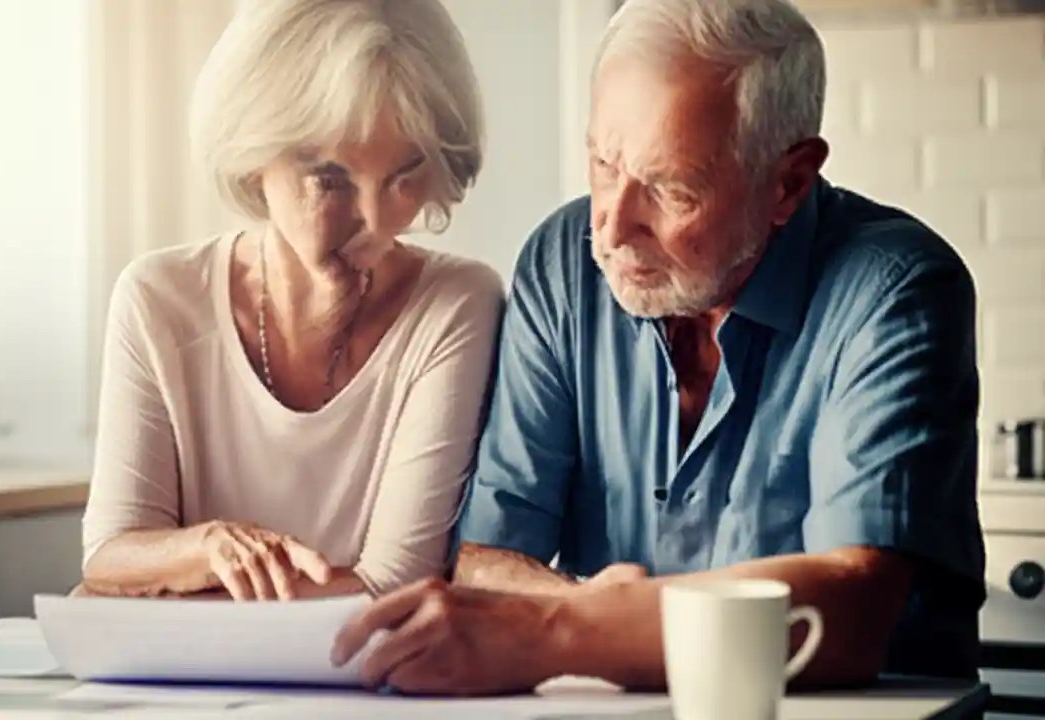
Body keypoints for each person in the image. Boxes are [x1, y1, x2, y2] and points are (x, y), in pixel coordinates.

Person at [332, 0, 984, 695]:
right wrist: (597, 619)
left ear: (787, 183)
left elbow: (849, 611)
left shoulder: (896, 289)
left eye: (671, 190)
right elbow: (488, 559)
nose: (611, 227)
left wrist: (560, 631)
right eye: (604, 164)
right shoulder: (563, 263)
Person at [79, 0, 502, 603]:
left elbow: (394, 588)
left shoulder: (457, 306)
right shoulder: (159, 301)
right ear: (254, 163)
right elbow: (110, 556)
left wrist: (169, 582)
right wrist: (210, 546)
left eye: (403, 175)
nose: (377, 223)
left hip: (369, 689)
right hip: (178, 693)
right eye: (332, 179)